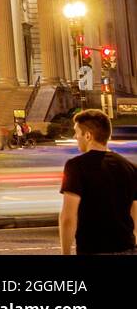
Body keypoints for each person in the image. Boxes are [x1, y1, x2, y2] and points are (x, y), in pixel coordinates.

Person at [59, 108, 137, 255]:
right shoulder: (130, 167)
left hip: (94, 249)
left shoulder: (76, 166)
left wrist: (66, 253)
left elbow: (68, 217)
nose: (75, 137)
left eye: (77, 132)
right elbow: (135, 212)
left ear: (88, 135)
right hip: (128, 248)